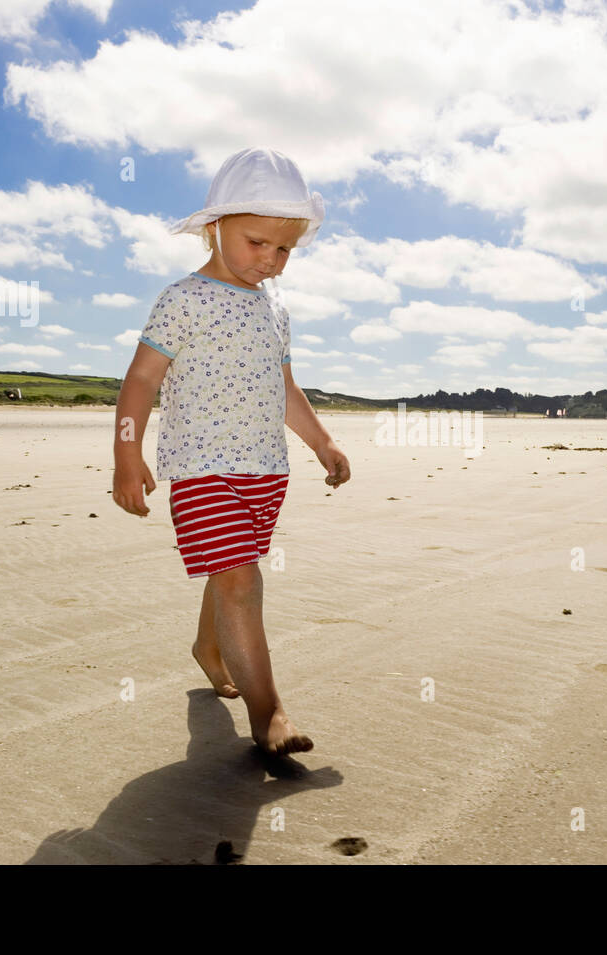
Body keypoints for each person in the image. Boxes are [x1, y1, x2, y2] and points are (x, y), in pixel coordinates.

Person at [112, 147, 351, 756]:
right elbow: (141, 379)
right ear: (215, 227)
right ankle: (268, 714)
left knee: (231, 571)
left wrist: (322, 441)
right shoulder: (182, 299)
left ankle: (209, 647)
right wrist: (127, 454)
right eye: (257, 243)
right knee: (241, 582)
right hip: (199, 468)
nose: (270, 260)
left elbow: (285, 389)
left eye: (284, 250)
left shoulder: (276, 311)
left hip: (266, 471)